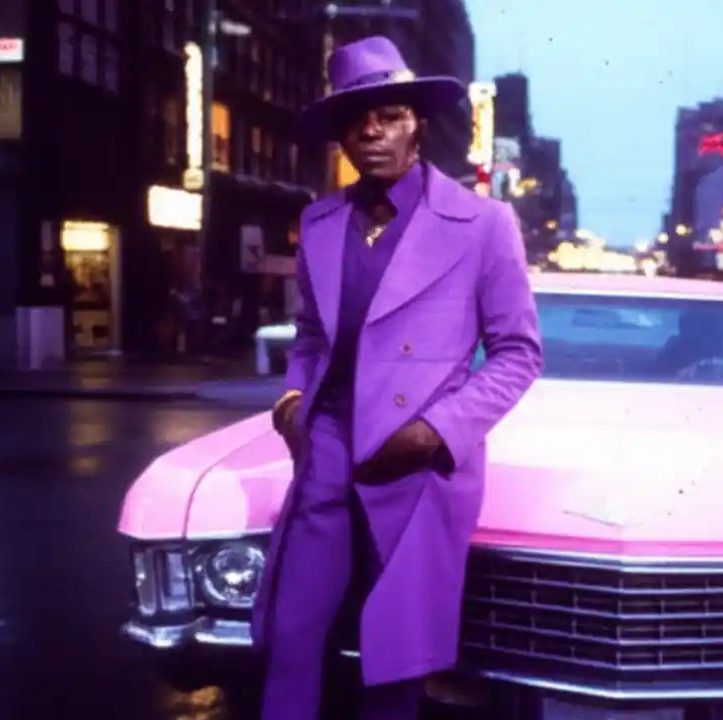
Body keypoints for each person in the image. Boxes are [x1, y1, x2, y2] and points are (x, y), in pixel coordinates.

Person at [250, 35, 544, 720]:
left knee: (395, 659)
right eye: (356, 120)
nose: (371, 131)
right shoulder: (320, 221)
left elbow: (518, 353)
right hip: (323, 451)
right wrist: (292, 401)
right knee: (290, 639)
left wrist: (434, 432)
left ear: (417, 123)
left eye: (388, 114)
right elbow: (312, 335)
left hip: (416, 467)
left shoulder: (482, 225)